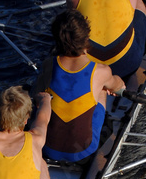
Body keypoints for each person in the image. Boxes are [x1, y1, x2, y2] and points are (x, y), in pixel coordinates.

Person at [34, 10, 124, 163]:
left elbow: (36, 93)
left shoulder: (49, 64)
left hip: (46, 148)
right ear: (86, 38)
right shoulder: (101, 71)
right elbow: (118, 88)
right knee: (102, 89)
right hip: (83, 151)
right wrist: (117, 84)